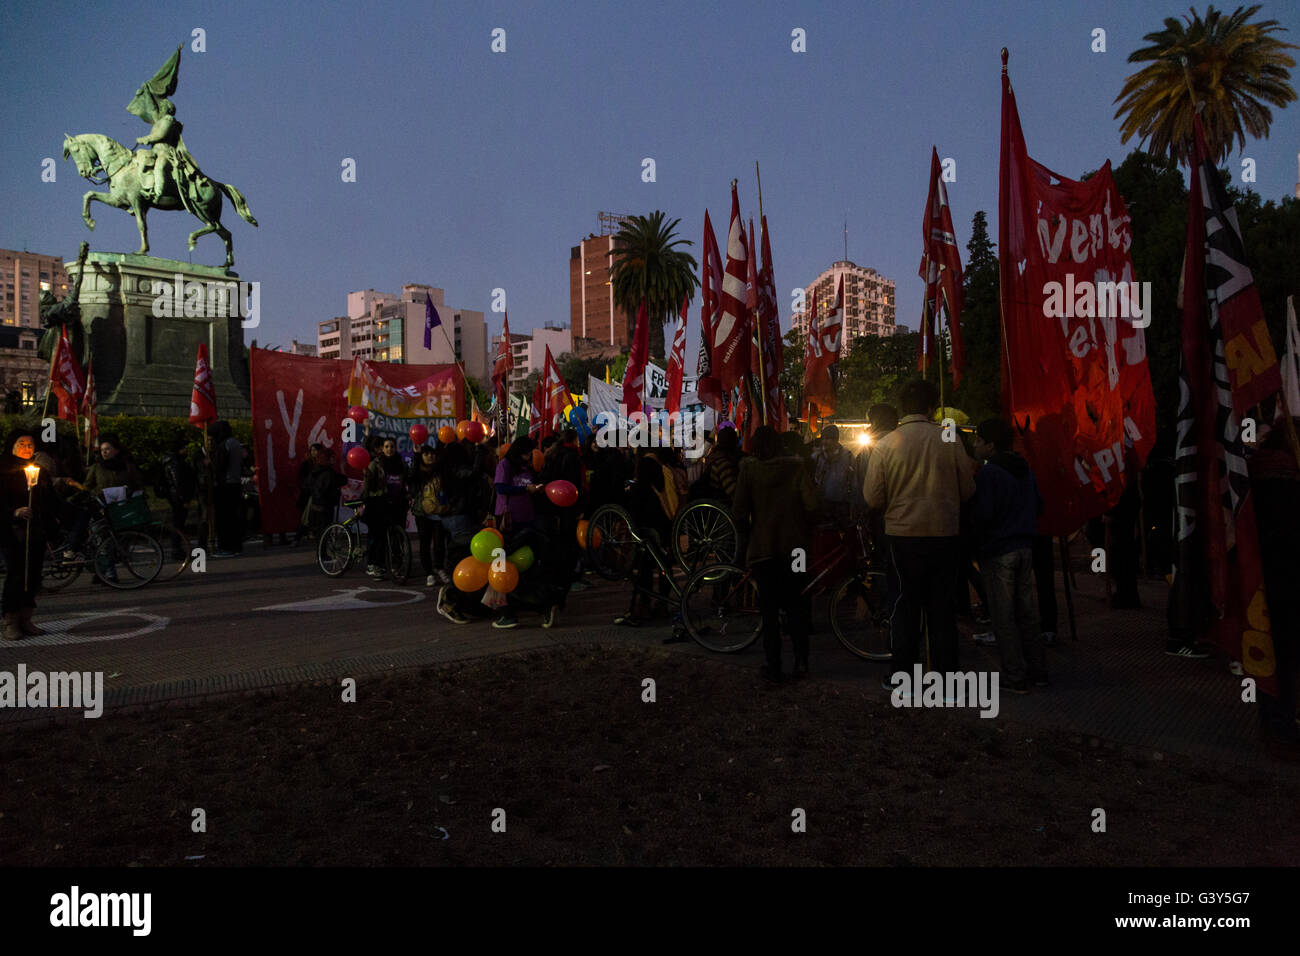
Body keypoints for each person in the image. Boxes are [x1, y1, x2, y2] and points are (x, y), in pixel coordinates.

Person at [864, 379, 975, 690]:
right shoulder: (949, 439)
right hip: (944, 534)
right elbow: (968, 489)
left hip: (902, 537)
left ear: (903, 409)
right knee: (942, 607)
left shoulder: (886, 444)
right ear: (931, 408)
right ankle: (946, 676)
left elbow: (872, 498)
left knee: (904, 606)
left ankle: (903, 675)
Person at [733, 425, 819, 683]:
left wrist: (746, 538)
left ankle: (774, 665)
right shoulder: (797, 467)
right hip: (796, 549)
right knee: (798, 605)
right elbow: (812, 505)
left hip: (764, 549)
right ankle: (801, 661)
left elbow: (739, 512)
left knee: (769, 611)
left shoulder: (748, 469)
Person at [970, 418, 1047, 694]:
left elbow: (984, 514)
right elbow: (1039, 504)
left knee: (1004, 616)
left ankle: (1015, 676)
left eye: (978, 440)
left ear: (990, 445)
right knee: (1027, 613)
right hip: (1026, 546)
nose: (975, 445)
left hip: (999, 550)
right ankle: (1039, 671)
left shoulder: (989, 474)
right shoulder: (1025, 469)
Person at [0, 429, 58, 639]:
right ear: (12, 446)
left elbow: (50, 501)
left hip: (35, 532)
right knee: (16, 574)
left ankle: (27, 617)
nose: (27, 448)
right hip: (12, 532)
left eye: (30, 445)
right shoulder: (3, 469)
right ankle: (10, 620)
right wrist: (14, 512)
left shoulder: (39, 472)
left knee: (33, 575)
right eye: (22, 444)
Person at [362, 437, 408, 577]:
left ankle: (396, 566)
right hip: (380, 504)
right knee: (379, 536)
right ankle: (376, 565)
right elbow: (368, 486)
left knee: (397, 537)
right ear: (382, 449)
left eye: (392, 446)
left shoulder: (401, 463)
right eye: (387, 446)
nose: (389, 449)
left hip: (398, 503)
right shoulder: (375, 464)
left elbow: (408, 478)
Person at [408, 444, 450, 587]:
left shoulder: (441, 471)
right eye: (426, 454)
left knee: (439, 543)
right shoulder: (418, 472)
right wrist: (415, 456)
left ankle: (439, 568)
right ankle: (429, 573)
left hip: (439, 512)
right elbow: (411, 477)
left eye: (432, 454)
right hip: (423, 514)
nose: (430, 456)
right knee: (424, 543)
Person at [209, 421, 247, 556]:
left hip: (225, 485)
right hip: (236, 483)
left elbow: (220, 466)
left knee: (224, 518)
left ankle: (226, 547)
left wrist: (211, 463)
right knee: (234, 517)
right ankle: (236, 546)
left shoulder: (224, 445)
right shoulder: (236, 443)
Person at [299, 443, 345, 543]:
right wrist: (342, 469)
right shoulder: (328, 473)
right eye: (331, 458)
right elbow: (342, 480)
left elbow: (307, 485)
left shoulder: (315, 471)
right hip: (325, 506)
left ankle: (321, 555)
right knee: (324, 531)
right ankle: (323, 555)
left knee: (321, 532)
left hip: (316, 505)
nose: (333, 460)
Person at [811, 424, 855, 524]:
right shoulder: (816, 457)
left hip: (841, 506)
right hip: (821, 506)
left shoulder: (848, 457)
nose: (824, 442)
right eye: (823, 438)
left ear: (836, 440)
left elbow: (854, 483)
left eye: (828, 438)